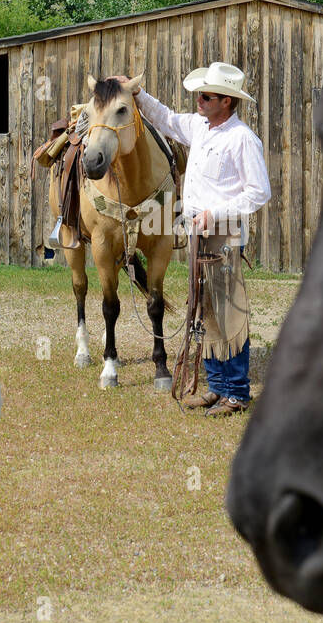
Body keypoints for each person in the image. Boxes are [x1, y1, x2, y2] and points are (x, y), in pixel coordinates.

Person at [110, 63, 270, 416]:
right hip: (199, 233)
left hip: (223, 234)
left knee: (228, 312)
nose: (199, 100)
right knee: (204, 309)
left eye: (207, 96)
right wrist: (137, 93)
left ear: (227, 102)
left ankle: (236, 392)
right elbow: (165, 118)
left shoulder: (241, 138)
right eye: (200, 94)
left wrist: (216, 213)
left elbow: (259, 193)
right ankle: (216, 386)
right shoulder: (200, 126)